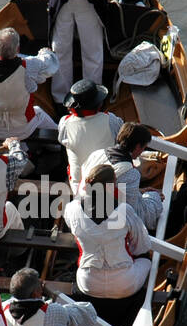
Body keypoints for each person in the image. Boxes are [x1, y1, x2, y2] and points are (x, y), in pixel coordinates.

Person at [63, 163, 152, 304]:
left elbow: (72, 226)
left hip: (88, 284)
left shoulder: (72, 209)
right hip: (125, 284)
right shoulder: (124, 210)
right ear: (111, 185)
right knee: (146, 259)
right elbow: (142, 247)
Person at [0, 27, 58, 141]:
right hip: (24, 129)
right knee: (39, 113)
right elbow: (51, 64)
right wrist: (45, 52)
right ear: (17, 49)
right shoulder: (30, 67)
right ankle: (56, 146)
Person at [83, 121, 164, 230]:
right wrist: (153, 197)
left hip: (88, 206)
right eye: (143, 148)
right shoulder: (130, 173)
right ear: (137, 146)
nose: (142, 152)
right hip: (108, 218)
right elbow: (134, 211)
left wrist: (139, 191)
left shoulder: (96, 154)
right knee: (155, 198)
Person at [58, 79, 123, 189]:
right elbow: (121, 136)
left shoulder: (65, 122)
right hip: (108, 182)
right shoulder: (112, 120)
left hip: (78, 184)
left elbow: (62, 140)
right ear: (99, 104)